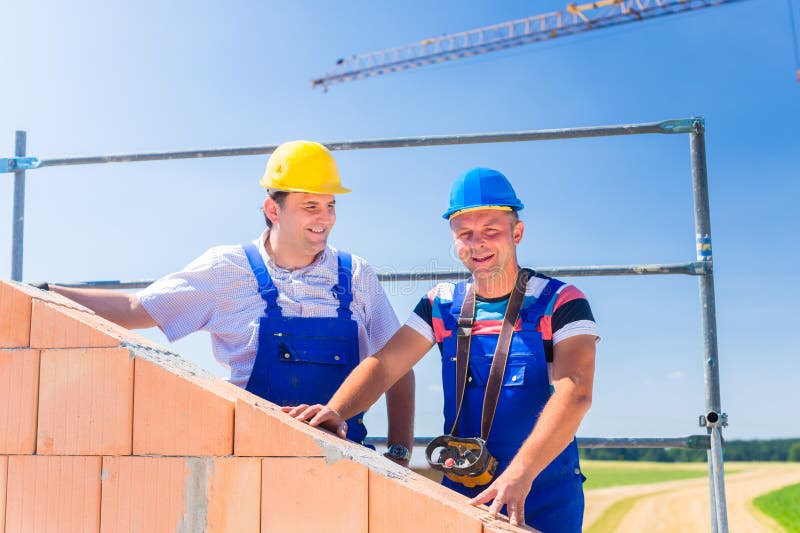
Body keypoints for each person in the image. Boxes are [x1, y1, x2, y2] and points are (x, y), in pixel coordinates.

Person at [44, 140, 415, 464]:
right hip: (250, 465)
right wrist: (45, 292)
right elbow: (134, 309)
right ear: (274, 209)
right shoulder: (226, 269)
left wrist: (398, 453)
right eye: (310, 206)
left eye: (330, 205)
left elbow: (398, 364)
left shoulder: (356, 275)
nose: (325, 219)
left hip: (344, 464)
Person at [287, 167, 598, 531]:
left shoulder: (560, 301)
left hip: (543, 492)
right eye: (465, 233)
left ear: (518, 232)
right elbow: (387, 365)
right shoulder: (441, 304)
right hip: (465, 485)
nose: (477, 243)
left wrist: (521, 475)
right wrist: (337, 411)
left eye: (491, 231)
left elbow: (575, 390)